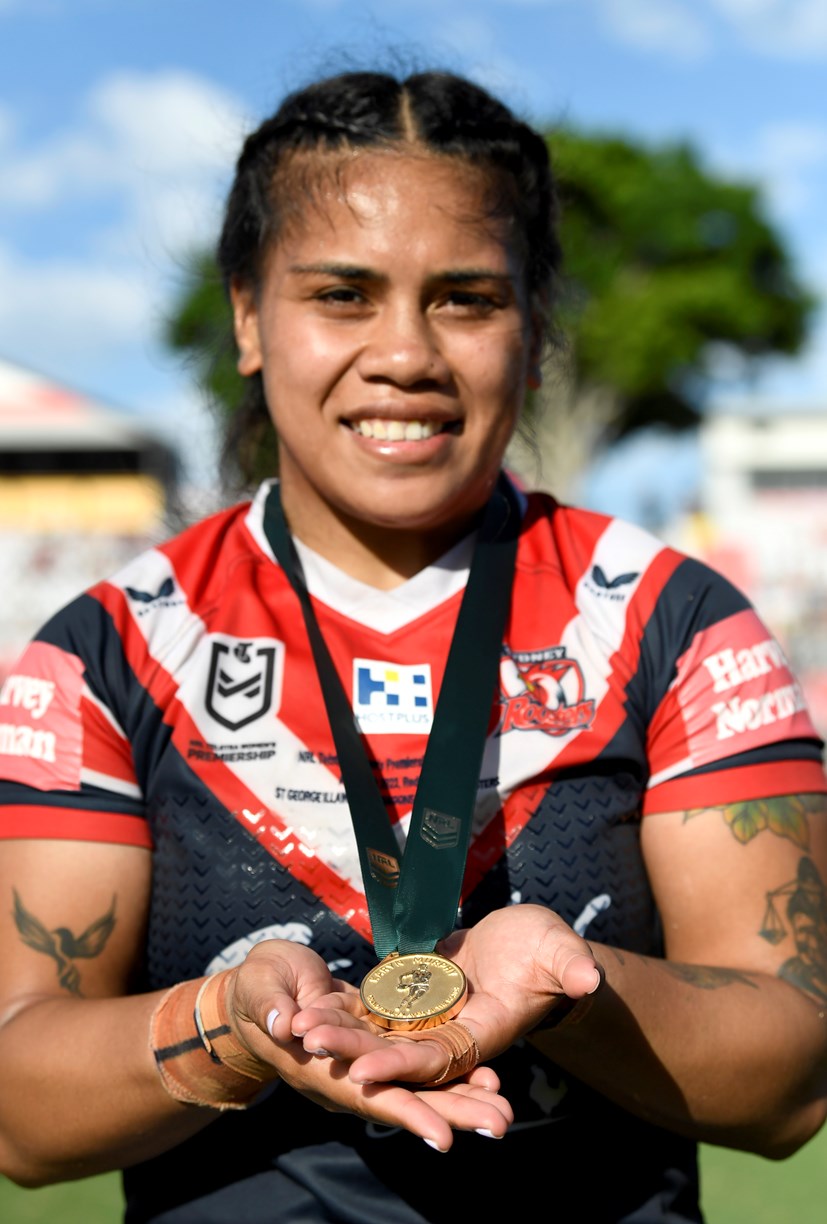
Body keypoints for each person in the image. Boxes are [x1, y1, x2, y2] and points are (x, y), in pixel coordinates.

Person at [0, 66, 825, 1224]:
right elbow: (16, 1118)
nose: (405, 355)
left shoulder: (671, 622)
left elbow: (789, 1080)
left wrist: (574, 993)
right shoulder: (107, 650)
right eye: (341, 295)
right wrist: (225, 1026)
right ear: (246, 315)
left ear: (534, 329)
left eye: (465, 299)